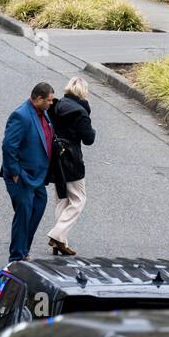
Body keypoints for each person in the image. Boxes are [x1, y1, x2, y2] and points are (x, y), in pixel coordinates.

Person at [0, 82, 56, 262]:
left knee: (38, 207)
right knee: (23, 214)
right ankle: (17, 257)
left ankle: (24, 249)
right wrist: (15, 172)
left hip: (38, 176)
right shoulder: (21, 115)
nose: (51, 104)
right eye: (49, 100)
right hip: (22, 176)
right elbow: (9, 146)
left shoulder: (44, 113)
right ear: (38, 98)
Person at [46, 76, 97, 256]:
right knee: (78, 199)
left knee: (62, 198)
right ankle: (57, 234)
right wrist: (92, 127)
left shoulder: (57, 106)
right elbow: (89, 139)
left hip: (56, 156)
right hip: (72, 159)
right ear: (83, 92)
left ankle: (60, 242)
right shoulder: (80, 112)